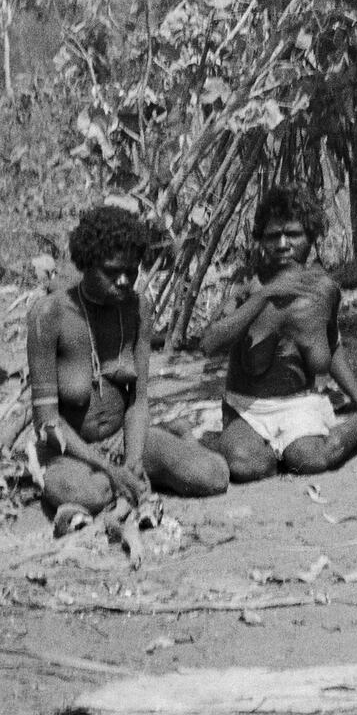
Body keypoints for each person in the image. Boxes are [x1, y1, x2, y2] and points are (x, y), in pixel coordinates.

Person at [26, 205, 228, 527]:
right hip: (69, 450)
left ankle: (165, 448)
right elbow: (48, 424)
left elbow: (138, 402)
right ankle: (109, 482)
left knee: (212, 476)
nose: (124, 281)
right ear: (86, 263)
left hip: (123, 438)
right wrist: (109, 469)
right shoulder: (49, 315)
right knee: (89, 493)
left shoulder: (136, 309)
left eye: (131, 271)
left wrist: (133, 459)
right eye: (111, 271)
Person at [199, 184, 357, 481]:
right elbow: (209, 344)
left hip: (300, 404)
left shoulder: (324, 290)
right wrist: (264, 295)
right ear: (260, 241)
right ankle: (244, 444)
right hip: (247, 407)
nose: (282, 244)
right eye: (272, 236)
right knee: (248, 466)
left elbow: (332, 347)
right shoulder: (245, 286)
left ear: (310, 237)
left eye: (293, 234)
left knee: (313, 459)